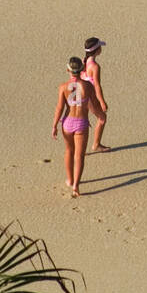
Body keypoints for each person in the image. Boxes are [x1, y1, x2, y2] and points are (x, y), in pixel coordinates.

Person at [52, 57, 106, 197]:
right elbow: (93, 103)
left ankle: (69, 180)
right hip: (81, 122)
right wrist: (100, 114)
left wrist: (54, 125)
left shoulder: (63, 87)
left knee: (69, 150)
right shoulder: (88, 86)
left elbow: (59, 107)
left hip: (67, 122)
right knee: (79, 155)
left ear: (68, 70)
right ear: (82, 70)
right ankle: (76, 184)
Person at [82, 37, 111, 153]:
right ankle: (96, 145)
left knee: (82, 121)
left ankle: (81, 148)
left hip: (80, 95)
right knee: (102, 118)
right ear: (97, 50)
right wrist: (102, 102)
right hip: (90, 97)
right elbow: (97, 86)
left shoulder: (83, 62)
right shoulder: (95, 66)